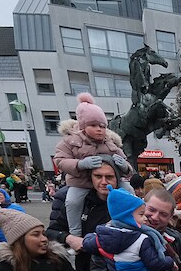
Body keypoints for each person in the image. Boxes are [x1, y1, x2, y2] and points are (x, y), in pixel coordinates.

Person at [54, 93, 129, 237]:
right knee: (72, 202)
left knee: (129, 192)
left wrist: (124, 166)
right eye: (93, 125)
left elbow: (125, 161)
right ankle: (75, 233)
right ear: (83, 126)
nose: (99, 129)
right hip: (80, 182)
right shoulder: (70, 141)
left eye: (102, 126)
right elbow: (60, 160)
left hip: (112, 184)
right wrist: (80, 164)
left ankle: (130, 223)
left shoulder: (109, 141)